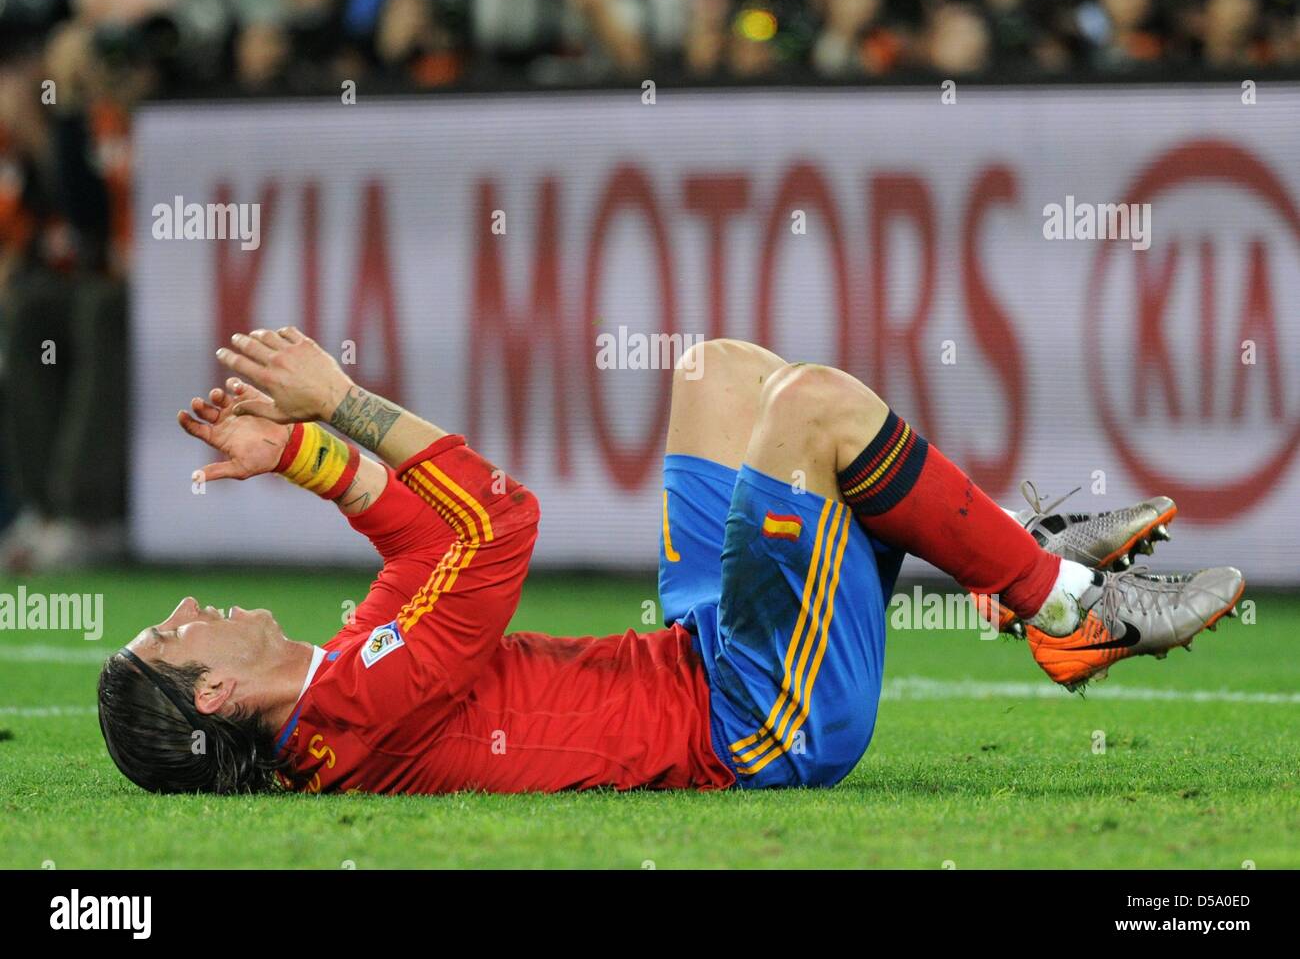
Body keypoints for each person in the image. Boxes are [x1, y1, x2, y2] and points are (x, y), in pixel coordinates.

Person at [98, 330, 1244, 794]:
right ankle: (1066, 604)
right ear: (214, 694)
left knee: (716, 371)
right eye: (173, 629)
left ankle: (1016, 563)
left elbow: (419, 534)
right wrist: (342, 400)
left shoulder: (343, 686)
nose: (188, 604)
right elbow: (498, 522)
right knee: (815, 411)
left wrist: (299, 448)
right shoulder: (353, 705)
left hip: (698, 649)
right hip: (756, 719)